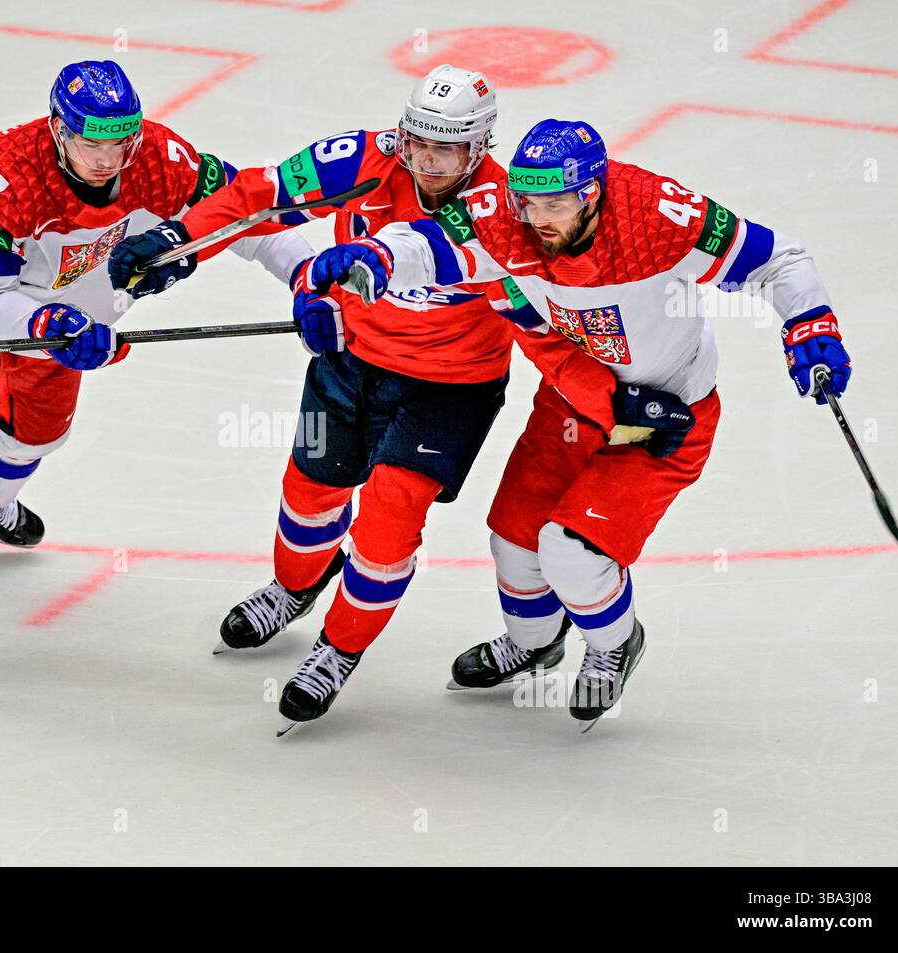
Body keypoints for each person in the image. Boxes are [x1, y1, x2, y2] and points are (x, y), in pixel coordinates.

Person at [109, 71, 635, 735]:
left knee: (389, 520)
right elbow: (256, 197)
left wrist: (616, 400)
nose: (426, 161)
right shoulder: (361, 159)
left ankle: (338, 650)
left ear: (480, 148)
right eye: (416, 143)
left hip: (451, 389)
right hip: (352, 362)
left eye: (446, 149)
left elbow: (542, 321)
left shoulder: (507, 214)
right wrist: (178, 242)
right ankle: (296, 585)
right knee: (309, 491)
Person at [311, 118, 852, 726]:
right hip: (572, 406)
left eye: (556, 204)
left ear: (592, 193)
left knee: (570, 553)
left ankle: (614, 644)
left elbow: (777, 260)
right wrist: (375, 255)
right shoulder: (506, 219)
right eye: (527, 202)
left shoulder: (659, 218)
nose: (538, 220)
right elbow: (427, 243)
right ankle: (534, 643)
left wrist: (810, 324)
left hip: (665, 422)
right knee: (513, 542)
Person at [0, 59, 314, 685]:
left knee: (38, 437)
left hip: (62, 319)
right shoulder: (5, 175)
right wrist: (49, 323)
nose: (107, 160)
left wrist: (309, 278)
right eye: (89, 143)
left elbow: (246, 214)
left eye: (119, 143)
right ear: (58, 129)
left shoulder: (159, 159)